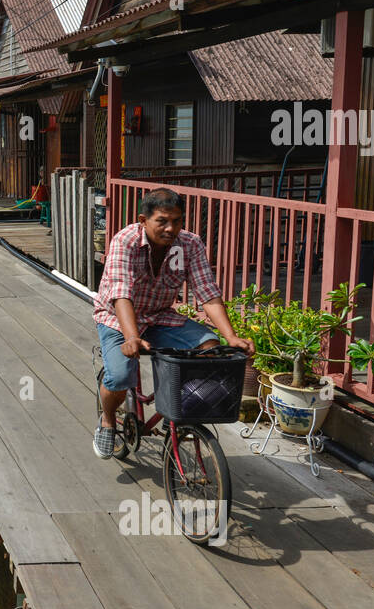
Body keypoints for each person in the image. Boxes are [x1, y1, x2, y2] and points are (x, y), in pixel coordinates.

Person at [92, 187, 253, 458]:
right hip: (117, 318)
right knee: (119, 376)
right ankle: (107, 421)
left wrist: (232, 337)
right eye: (162, 221)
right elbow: (121, 294)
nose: (170, 228)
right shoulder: (125, 241)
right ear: (144, 221)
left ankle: (178, 410)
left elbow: (208, 292)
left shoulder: (190, 244)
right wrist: (131, 337)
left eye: (177, 221)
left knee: (211, 347)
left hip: (160, 315)